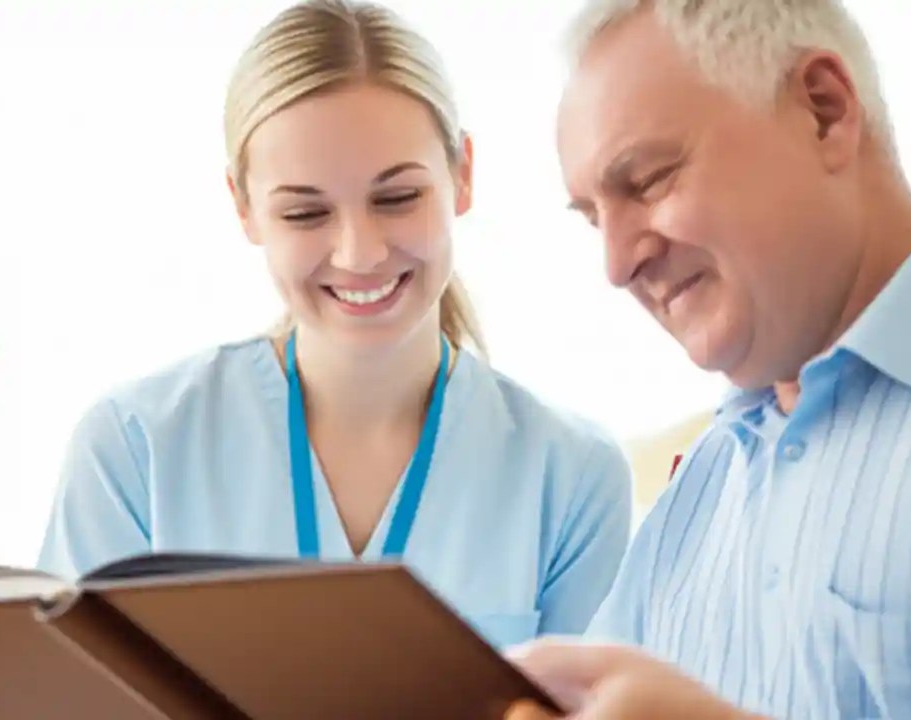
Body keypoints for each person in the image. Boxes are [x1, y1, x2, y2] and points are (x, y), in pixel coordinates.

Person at [36, 0, 633, 651]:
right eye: (304, 214)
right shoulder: (136, 452)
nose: (360, 253)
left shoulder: (572, 477)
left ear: (462, 174)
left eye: (397, 197)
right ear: (244, 209)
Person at [509, 0, 911, 717]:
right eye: (594, 217)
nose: (615, 262)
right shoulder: (697, 493)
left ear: (823, 112)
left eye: (648, 181)